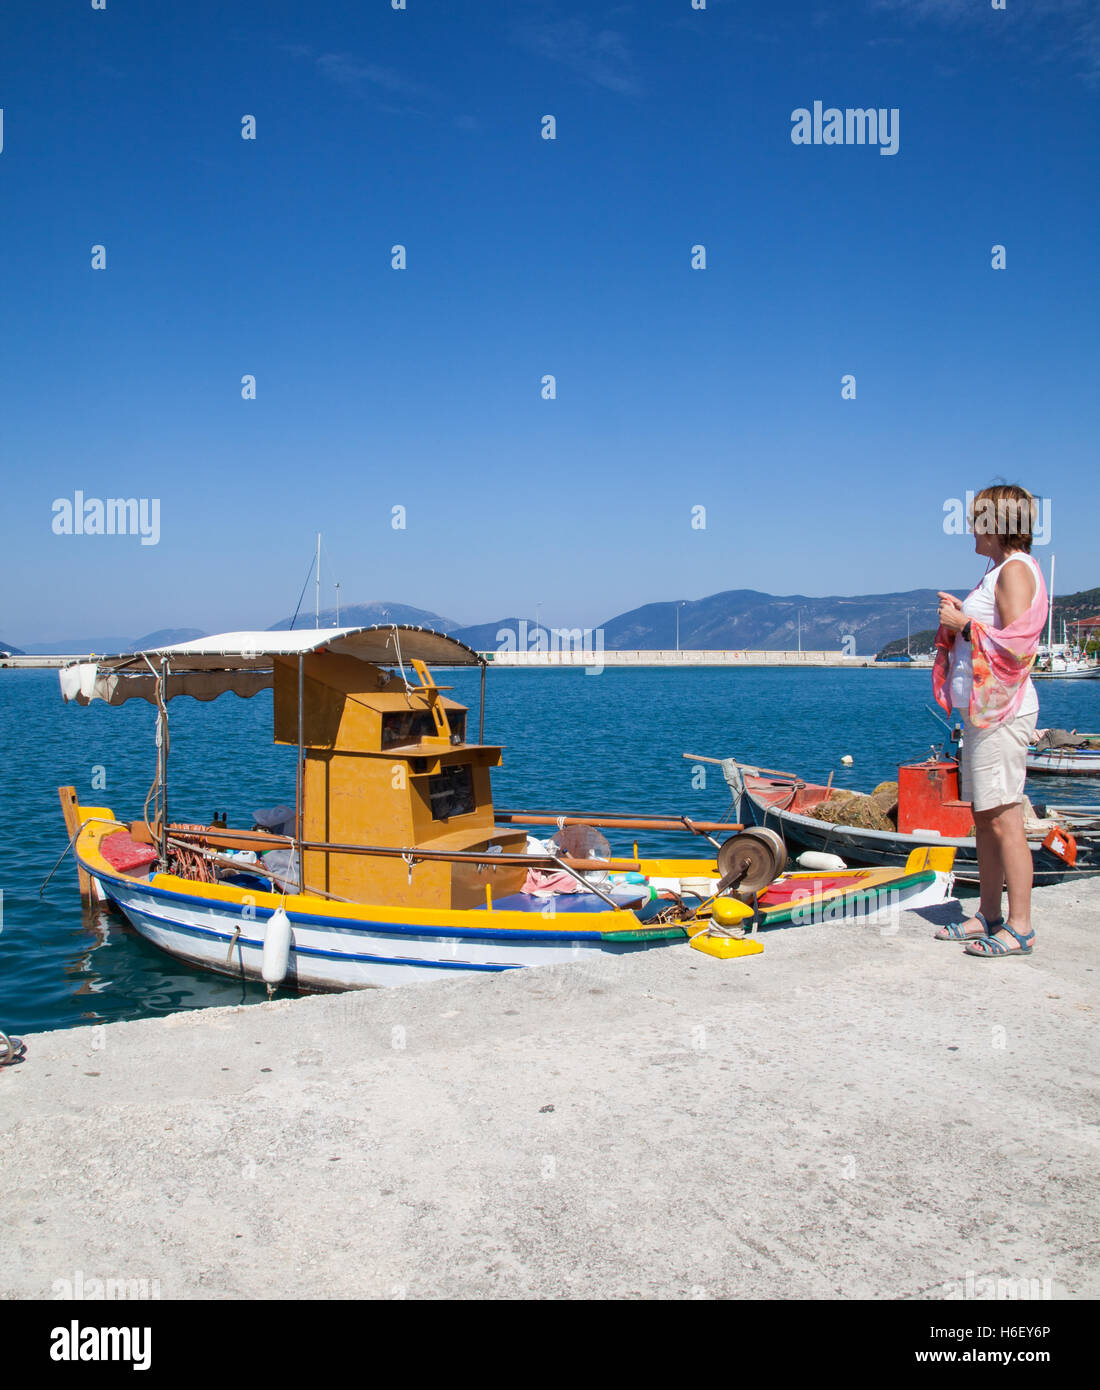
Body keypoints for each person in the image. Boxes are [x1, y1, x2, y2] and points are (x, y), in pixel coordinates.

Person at [931, 484, 1048, 958]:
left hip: (1003, 713)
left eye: (978, 519)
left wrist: (963, 625)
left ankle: (1020, 926)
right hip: (984, 713)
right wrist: (962, 621)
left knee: (1005, 818)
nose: (971, 528)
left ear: (998, 523)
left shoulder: (1016, 571)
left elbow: (1017, 646)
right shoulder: (998, 569)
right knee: (985, 818)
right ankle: (988, 914)